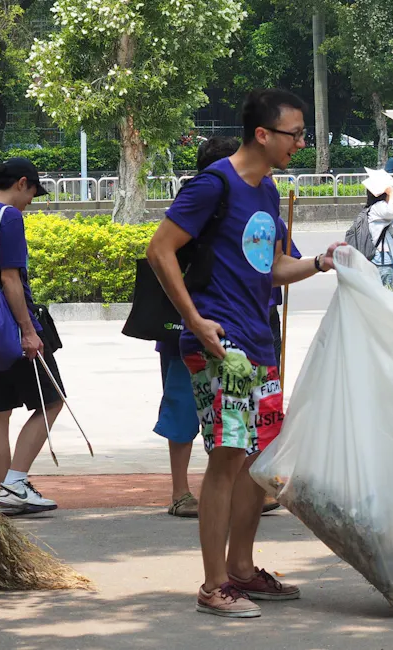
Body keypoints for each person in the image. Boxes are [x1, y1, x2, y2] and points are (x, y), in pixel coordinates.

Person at [146, 88, 343, 619]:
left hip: (259, 340)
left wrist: (324, 263)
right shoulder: (214, 185)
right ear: (263, 134)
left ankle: (241, 568)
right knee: (228, 456)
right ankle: (213, 586)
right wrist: (194, 320)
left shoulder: (267, 191)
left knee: (260, 462)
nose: (301, 143)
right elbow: (160, 249)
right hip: (220, 343)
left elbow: (274, 267)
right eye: (295, 134)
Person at [0, 158, 67, 517]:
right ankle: (15, 483)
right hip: (12, 327)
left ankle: (9, 486)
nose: (31, 202)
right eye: (33, 193)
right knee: (52, 401)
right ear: (22, 183)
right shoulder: (8, 218)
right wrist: (28, 330)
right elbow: (10, 279)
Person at [158, 136, 241, 518]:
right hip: (186, 327)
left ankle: (230, 488)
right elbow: (162, 252)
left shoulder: (247, 201)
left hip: (233, 325)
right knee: (182, 405)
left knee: (233, 411)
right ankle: (180, 492)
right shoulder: (198, 200)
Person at [362, 168, 393, 287]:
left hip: (374, 259)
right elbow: (392, 211)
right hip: (382, 260)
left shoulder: (371, 208)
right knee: (388, 299)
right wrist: (391, 192)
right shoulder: (379, 207)